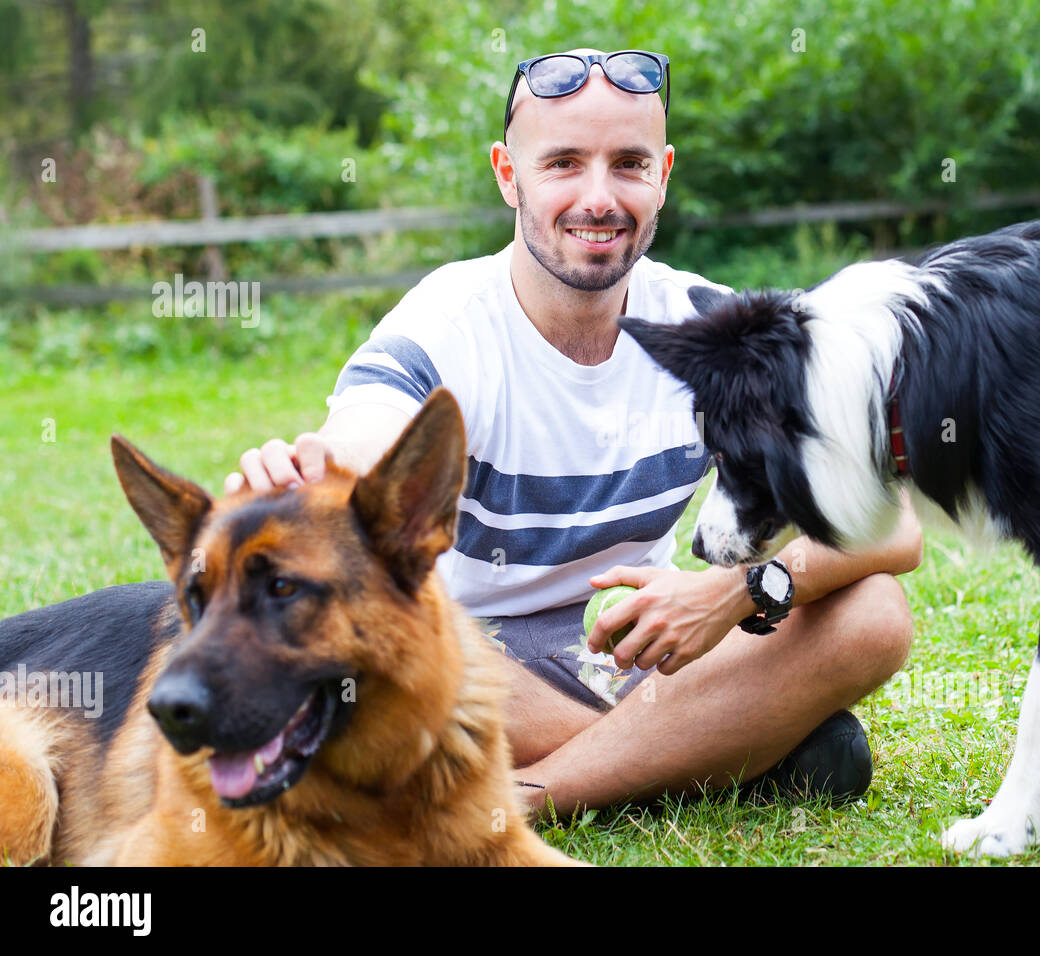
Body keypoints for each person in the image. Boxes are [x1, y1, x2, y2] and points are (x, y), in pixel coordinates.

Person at [225, 48, 921, 820]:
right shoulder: (444, 325)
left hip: (639, 655)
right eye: (562, 163)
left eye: (628, 163)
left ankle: (527, 797)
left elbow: (893, 527)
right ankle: (719, 755)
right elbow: (361, 450)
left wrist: (733, 590)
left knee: (873, 615)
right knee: (366, 658)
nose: (599, 198)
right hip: (475, 669)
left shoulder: (715, 329)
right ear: (507, 174)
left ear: (663, 175)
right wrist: (309, 481)